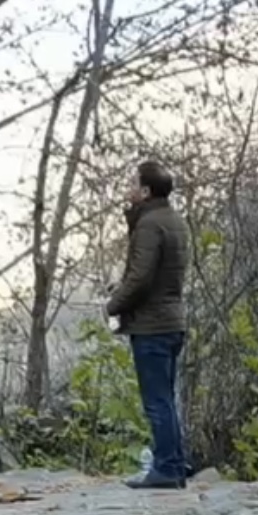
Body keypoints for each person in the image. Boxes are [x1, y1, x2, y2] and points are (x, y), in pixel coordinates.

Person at [106, 160, 192, 489]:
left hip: (152, 326)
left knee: (157, 400)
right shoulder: (174, 221)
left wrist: (112, 306)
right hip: (173, 321)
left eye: (132, 183)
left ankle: (168, 468)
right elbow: (160, 275)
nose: (127, 189)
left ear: (145, 191)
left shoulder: (149, 224)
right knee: (167, 398)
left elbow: (141, 279)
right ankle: (174, 461)